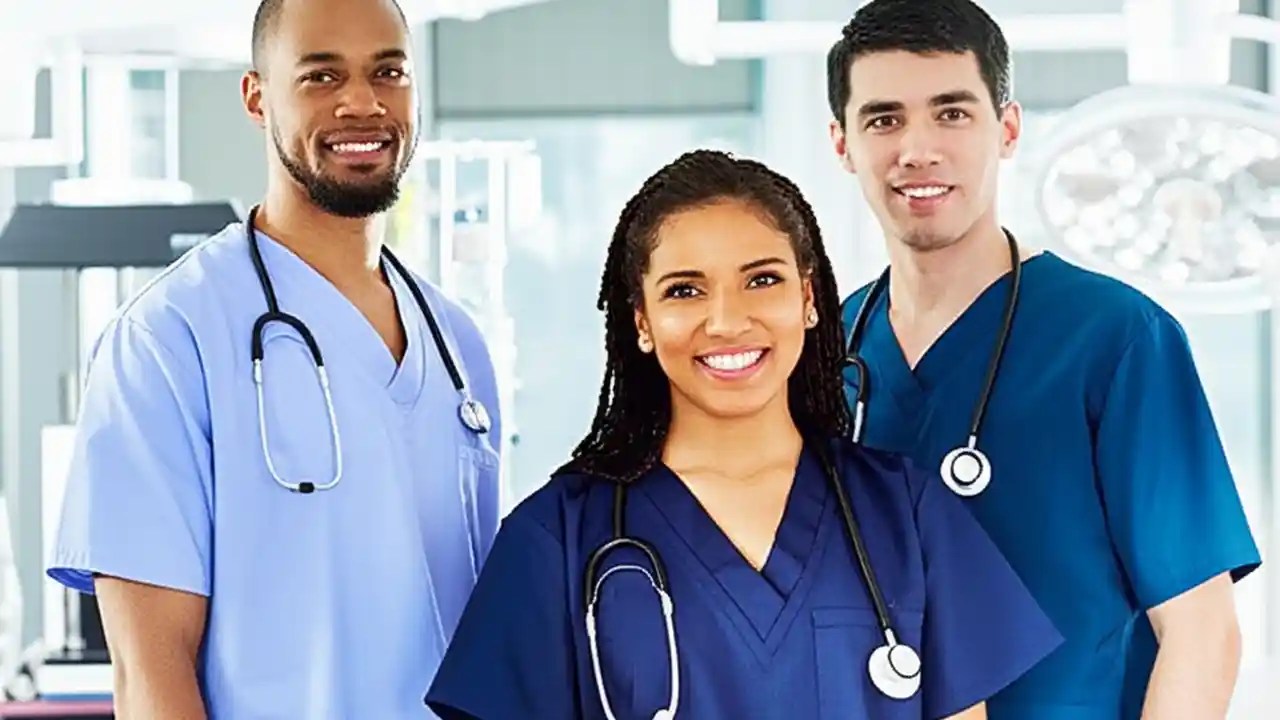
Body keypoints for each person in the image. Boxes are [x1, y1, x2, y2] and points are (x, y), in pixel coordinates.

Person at [424, 149, 1061, 719]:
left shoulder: (907, 515)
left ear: (809, 299)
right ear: (641, 322)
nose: (727, 321)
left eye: (762, 280)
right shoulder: (558, 538)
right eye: (684, 291)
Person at [43, 0, 503, 716]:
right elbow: (150, 673)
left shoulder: (457, 345)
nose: (363, 102)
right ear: (258, 98)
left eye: (389, 71)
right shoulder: (168, 340)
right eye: (322, 76)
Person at [825, 1, 1262, 718]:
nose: (918, 149)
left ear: (1008, 128)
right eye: (883, 119)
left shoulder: (1116, 337)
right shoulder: (824, 354)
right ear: (843, 144)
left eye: (952, 113)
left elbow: (1200, 633)